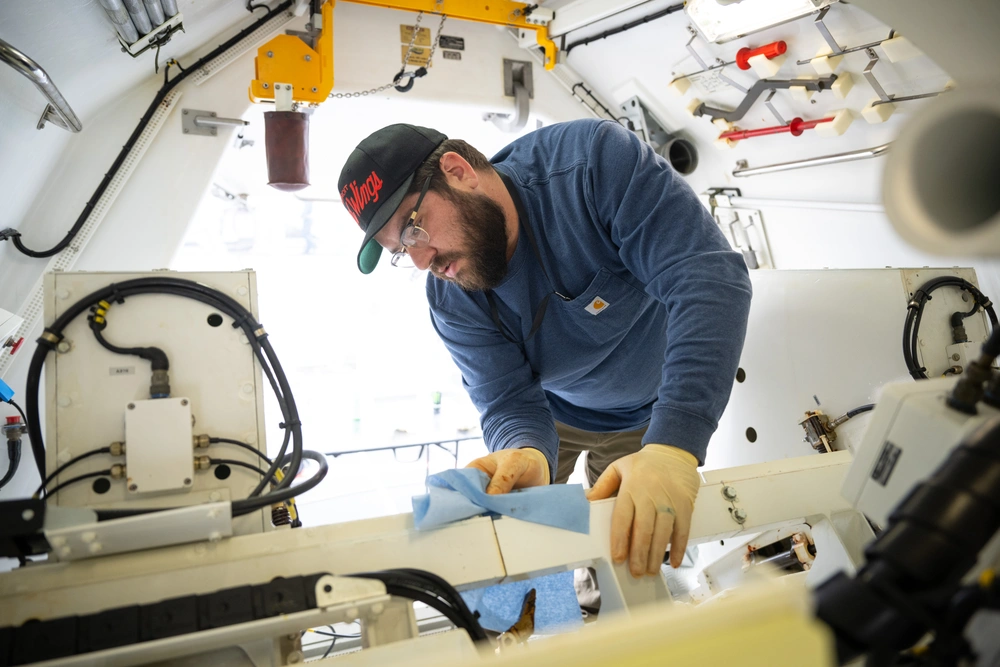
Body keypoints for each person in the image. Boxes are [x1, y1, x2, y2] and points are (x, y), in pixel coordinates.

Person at [338, 119, 752, 579]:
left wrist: (674, 445)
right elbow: (507, 399)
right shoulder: (451, 296)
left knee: (628, 561)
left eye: (413, 230)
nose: (421, 261)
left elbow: (708, 280)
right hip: (553, 413)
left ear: (458, 171)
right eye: (400, 251)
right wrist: (526, 449)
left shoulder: (591, 167)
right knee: (516, 553)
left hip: (651, 412)